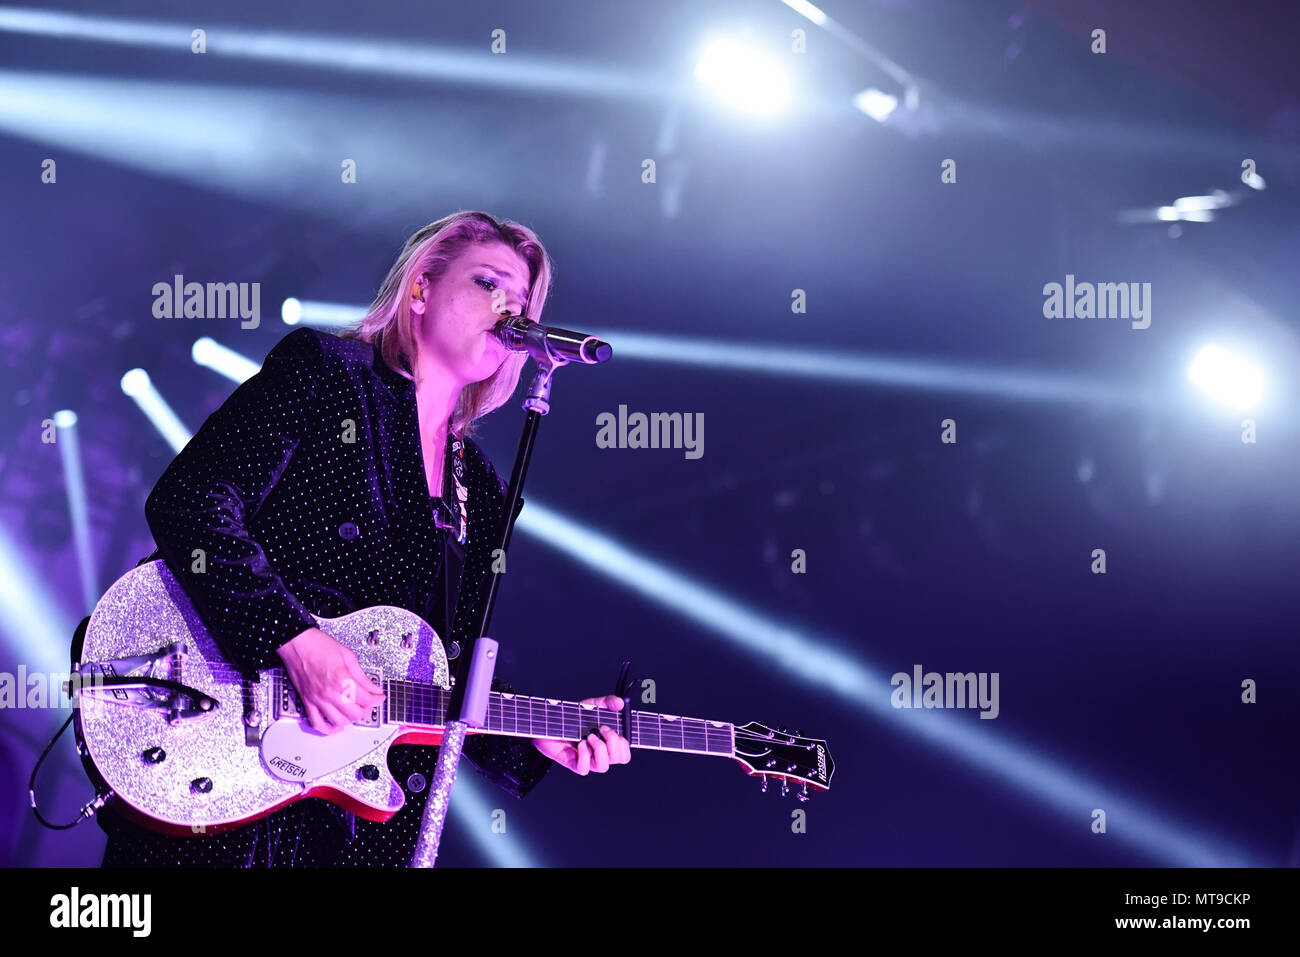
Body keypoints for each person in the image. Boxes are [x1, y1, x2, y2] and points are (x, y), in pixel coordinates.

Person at [98, 211, 630, 867]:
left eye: (520, 303)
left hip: (349, 823)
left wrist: (541, 736)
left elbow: (439, 671)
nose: (507, 310)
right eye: (488, 283)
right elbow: (193, 499)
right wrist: (292, 636)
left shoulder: (483, 487)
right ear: (421, 289)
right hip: (227, 764)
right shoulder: (327, 372)